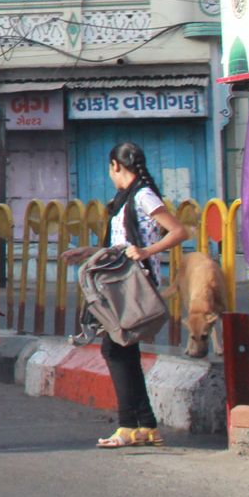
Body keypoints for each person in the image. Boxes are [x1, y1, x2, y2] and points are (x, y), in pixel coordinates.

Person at [73, 141, 191, 448]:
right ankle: (146, 426)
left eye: (109, 168)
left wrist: (147, 251)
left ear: (115, 165)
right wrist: (90, 251)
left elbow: (179, 231)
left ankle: (127, 425)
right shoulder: (125, 197)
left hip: (133, 284)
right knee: (124, 350)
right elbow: (121, 243)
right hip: (120, 283)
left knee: (114, 350)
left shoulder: (142, 195)